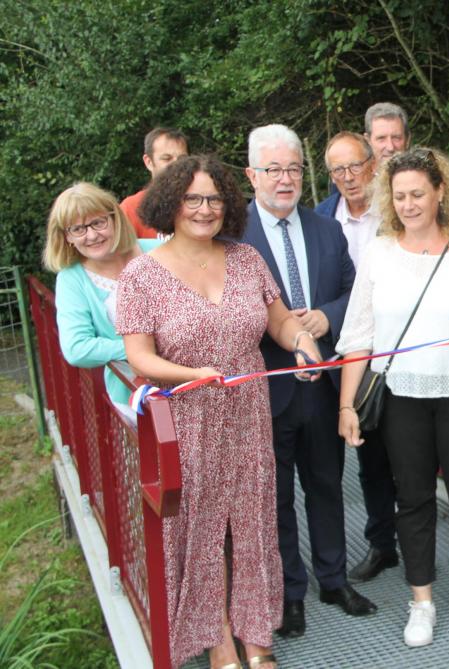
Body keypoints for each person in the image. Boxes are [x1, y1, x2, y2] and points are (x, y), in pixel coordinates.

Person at [116, 154, 322, 669]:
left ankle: (257, 634)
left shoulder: (247, 258)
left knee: (254, 522)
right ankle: (219, 638)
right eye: (192, 199)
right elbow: (139, 357)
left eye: (213, 199)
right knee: (202, 529)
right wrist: (192, 376)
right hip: (187, 417)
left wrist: (302, 343)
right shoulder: (141, 275)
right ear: (171, 203)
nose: (204, 209)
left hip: (249, 412)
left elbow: (279, 324)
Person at [337, 148, 449, 648]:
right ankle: (422, 603)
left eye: (418, 193)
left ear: (441, 192)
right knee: (411, 498)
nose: (409, 204)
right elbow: (358, 338)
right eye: (399, 196)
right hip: (401, 396)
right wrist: (347, 406)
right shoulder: (378, 253)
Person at [240, 125, 376, 641]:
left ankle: (333, 580)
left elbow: (353, 293)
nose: (285, 179)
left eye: (293, 168)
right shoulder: (234, 236)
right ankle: (289, 594)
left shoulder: (325, 228)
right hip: (266, 387)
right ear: (252, 175)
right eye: (273, 169)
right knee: (275, 498)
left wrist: (325, 317)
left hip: (322, 385)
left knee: (326, 486)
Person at [317, 130, 401, 585]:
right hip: (351, 351)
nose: (348, 178)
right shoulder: (321, 220)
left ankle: (418, 539)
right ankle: (382, 543)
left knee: (412, 451)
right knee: (368, 454)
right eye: (338, 170)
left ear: (373, 163)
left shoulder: (397, 210)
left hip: (405, 346)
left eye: (355, 166)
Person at [43, 182, 160, 421]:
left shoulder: (160, 252)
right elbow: (76, 348)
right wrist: (141, 350)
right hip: (135, 402)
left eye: (98, 222)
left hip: (195, 383)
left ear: (114, 218)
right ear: (67, 237)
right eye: (78, 229)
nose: (92, 235)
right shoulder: (72, 279)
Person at [316, 103, 410, 217]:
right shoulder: (339, 197)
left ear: (407, 140)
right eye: (381, 139)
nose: (390, 147)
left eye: (396, 138)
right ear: (367, 140)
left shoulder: (423, 181)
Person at [120, 127, 189, 238]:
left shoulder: (202, 204)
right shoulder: (130, 208)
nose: (177, 165)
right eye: (167, 159)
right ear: (148, 162)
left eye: (182, 159)